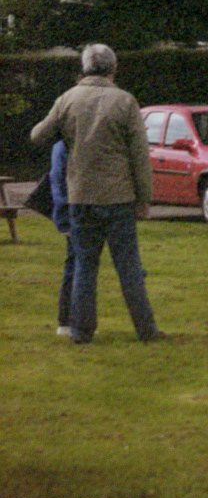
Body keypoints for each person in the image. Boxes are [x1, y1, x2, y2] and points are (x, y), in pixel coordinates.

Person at [29, 44, 163, 344]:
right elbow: (140, 156)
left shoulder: (68, 99)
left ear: (85, 68)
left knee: (84, 267)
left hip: (81, 197)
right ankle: (146, 330)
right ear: (113, 69)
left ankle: (80, 331)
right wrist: (144, 199)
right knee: (128, 266)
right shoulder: (125, 102)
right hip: (118, 197)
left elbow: (38, 135)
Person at [49, 139, 75, 337]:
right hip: (71, 214)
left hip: (71, 213)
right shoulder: (64, 147)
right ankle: (66, 320)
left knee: (75, 266)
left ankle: (69, 320)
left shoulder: (64, 145)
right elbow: (58, 183)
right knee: (75, 267)